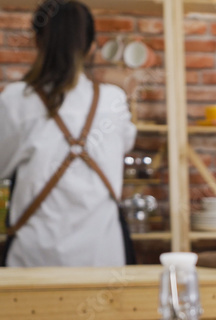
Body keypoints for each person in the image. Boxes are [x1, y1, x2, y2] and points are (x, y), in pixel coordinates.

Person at [0, 0, 136, 267]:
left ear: (37, 42)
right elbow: (126, 143)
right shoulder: (113, 100)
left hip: (33, 260)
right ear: (92, 47)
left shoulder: (15, 100)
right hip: (103, 257)